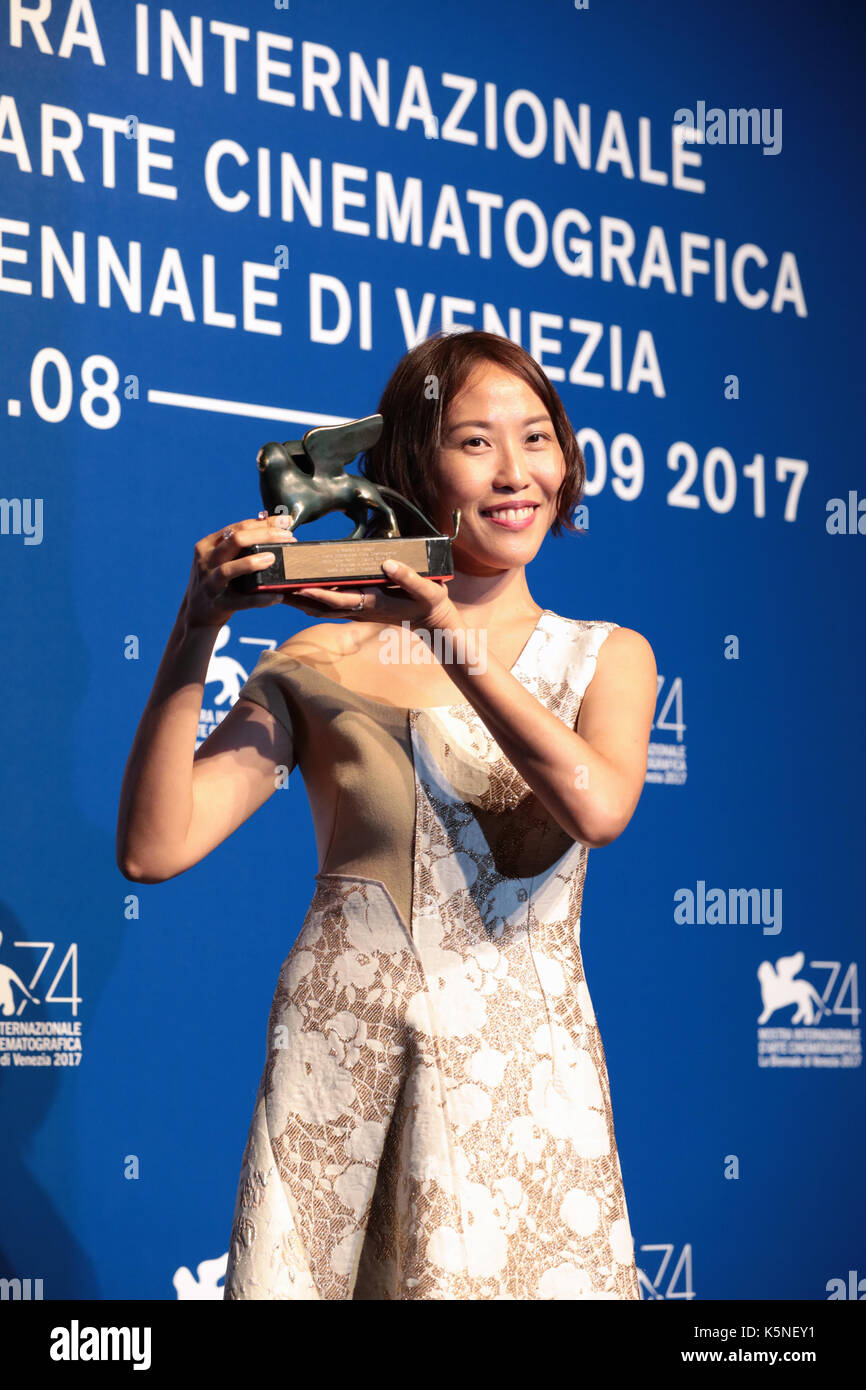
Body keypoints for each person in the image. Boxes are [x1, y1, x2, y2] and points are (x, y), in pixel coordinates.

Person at [116, 329, 657, 1301]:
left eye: (536, 438)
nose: (514, 471)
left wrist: (443, 633)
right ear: (410, 465)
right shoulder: (311, 664)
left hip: (521, 1078)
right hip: (338, 1055)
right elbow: (154, 849)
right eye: (474, 441)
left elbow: (595, 803)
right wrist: (195, 628)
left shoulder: (605, 657)